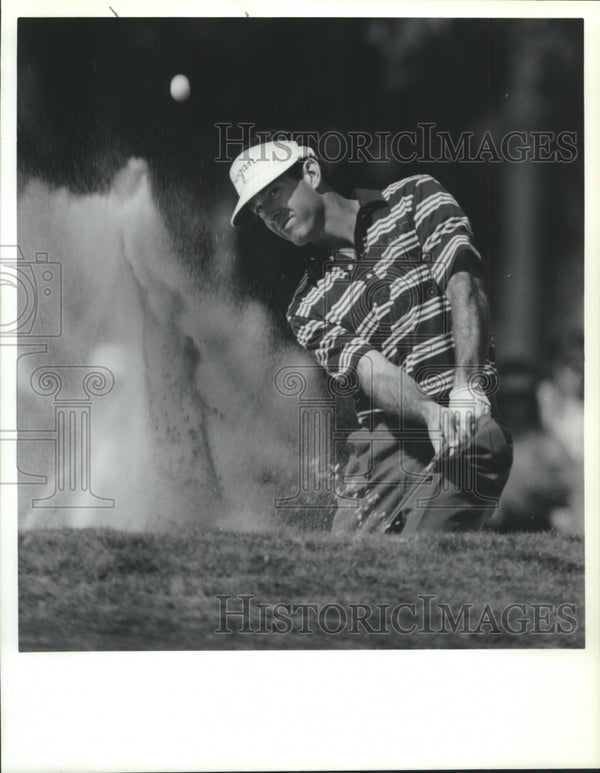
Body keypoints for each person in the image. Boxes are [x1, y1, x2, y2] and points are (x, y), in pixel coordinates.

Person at [228, 138, 513, 536]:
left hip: (467, 422)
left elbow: (464, 282)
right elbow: (371, 371)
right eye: (259, 209)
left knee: (421, 559)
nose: (271, 214)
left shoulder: (414, 197)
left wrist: (465, 387)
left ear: (311, 173)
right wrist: (430, 414)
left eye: (274, 192)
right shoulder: (306, 306)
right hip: (383, 450)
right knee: (346, 582)